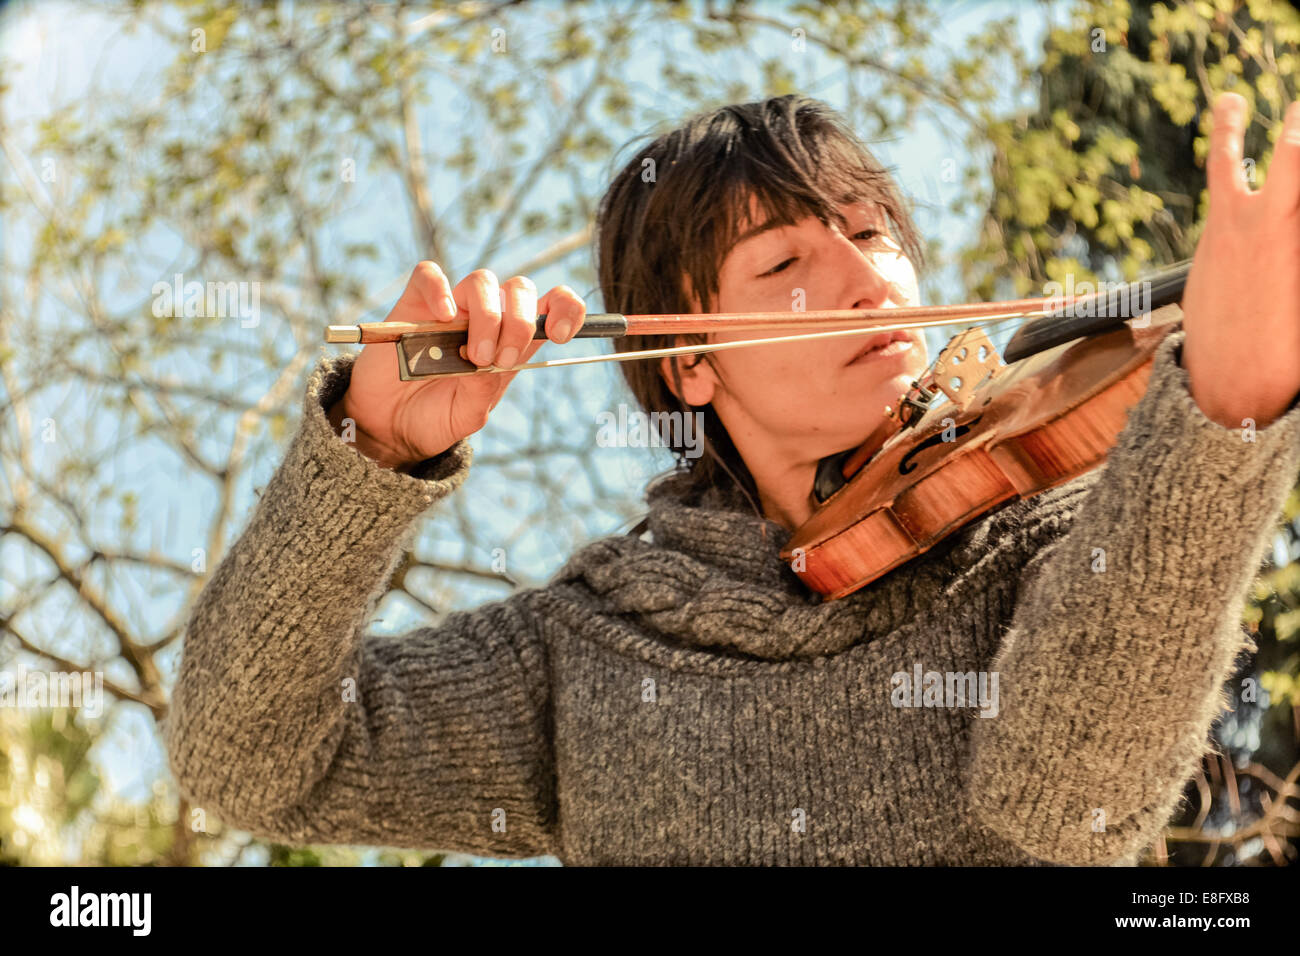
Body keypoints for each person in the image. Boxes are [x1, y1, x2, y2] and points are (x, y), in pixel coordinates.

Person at [164, 92, 1300, 866]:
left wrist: (1223, 413)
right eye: (786, 259)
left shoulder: (1042, 528)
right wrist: (371, 449)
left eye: (872, 230)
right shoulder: (590, 643)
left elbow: (1067, 803)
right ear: (691, 359)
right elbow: (243, 756)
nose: (864, 279)